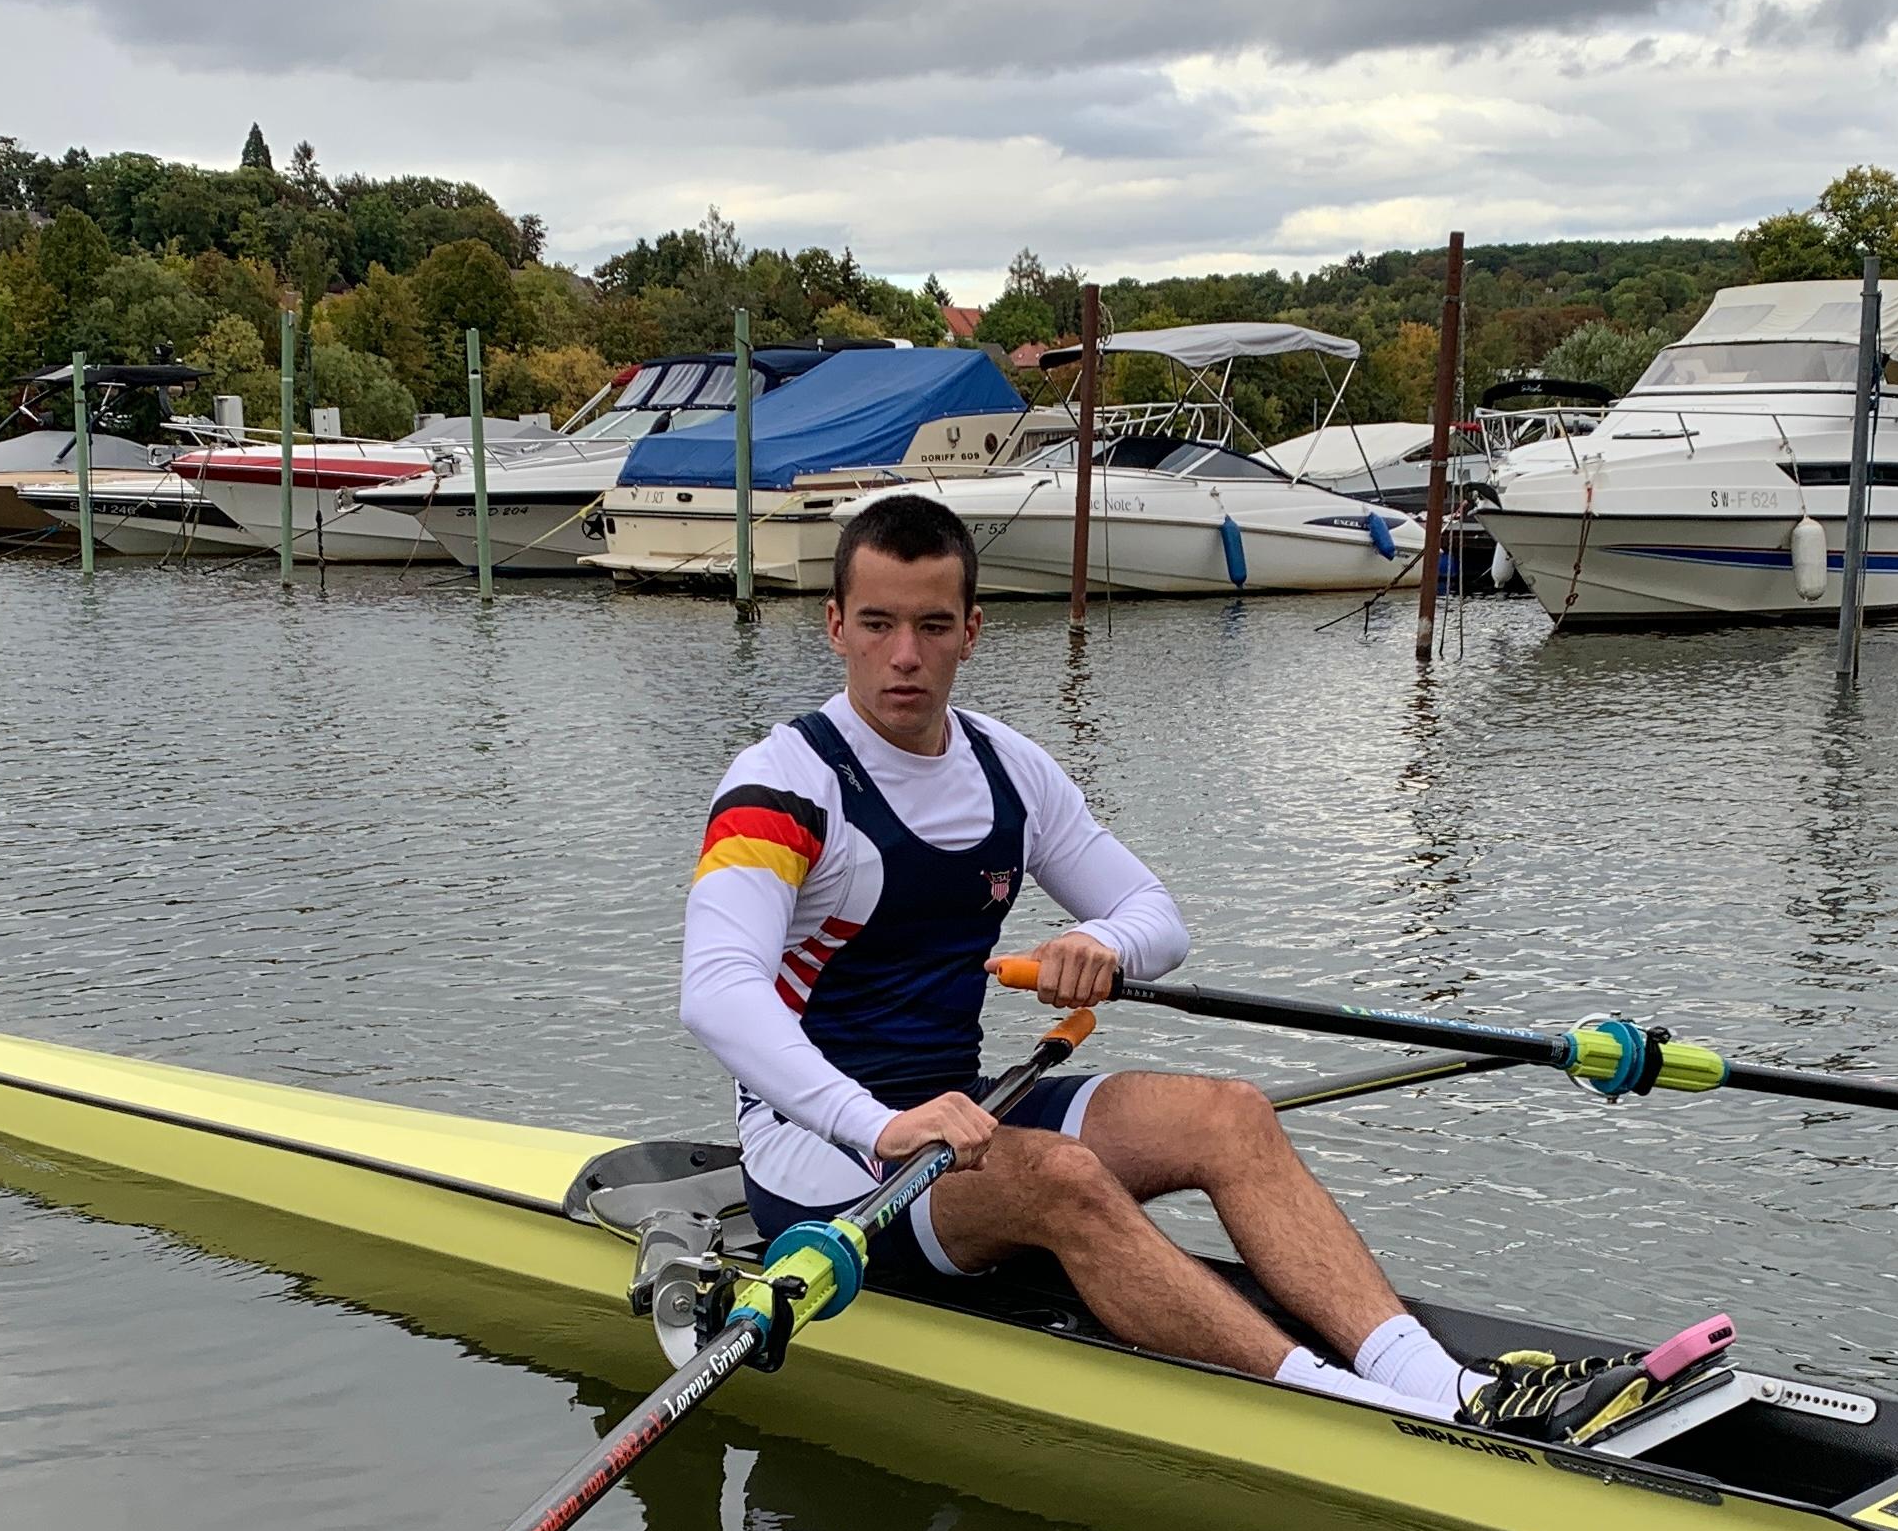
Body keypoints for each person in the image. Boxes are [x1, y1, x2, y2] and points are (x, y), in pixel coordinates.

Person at [678, 490, 1721, 1441]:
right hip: (821, 1162)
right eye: (877, 624)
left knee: (1230, 1115)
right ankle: (1339, 1414)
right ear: (835, 627)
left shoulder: (1008, 769)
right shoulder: (783, 786)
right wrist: (880, 1123)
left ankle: (1443, 1390)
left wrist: (1102, 946)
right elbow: (716, 991)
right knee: (1066, 1179)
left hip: (964, 1116)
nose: (904, 655)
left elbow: (1155, 915)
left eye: (933, 626)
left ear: (972, 633)